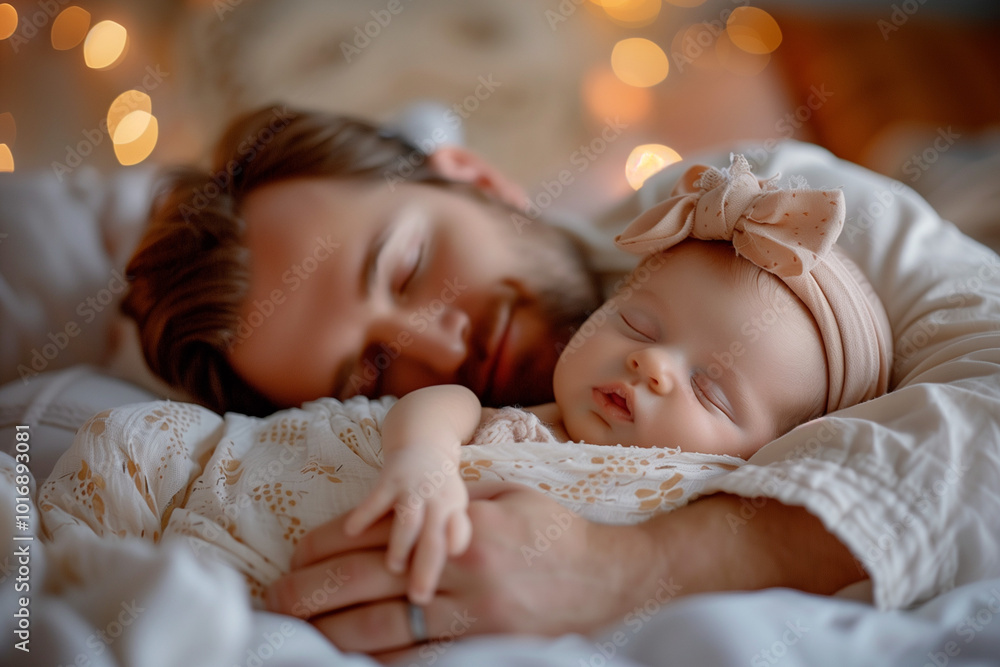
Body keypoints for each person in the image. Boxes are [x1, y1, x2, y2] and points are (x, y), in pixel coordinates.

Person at [122, 105, 1000, 655]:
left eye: (410, 265)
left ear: (472, 178)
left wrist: (632, 568)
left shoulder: (756, 218)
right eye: (371, 371)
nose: (440, 344)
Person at [345, 154, 893, 607]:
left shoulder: (713, 514)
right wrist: (422, 456)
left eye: (709, 391)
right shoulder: (543, 420)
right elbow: (446, 403)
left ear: (773, 452)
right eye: (635, 325)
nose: (651, 365)